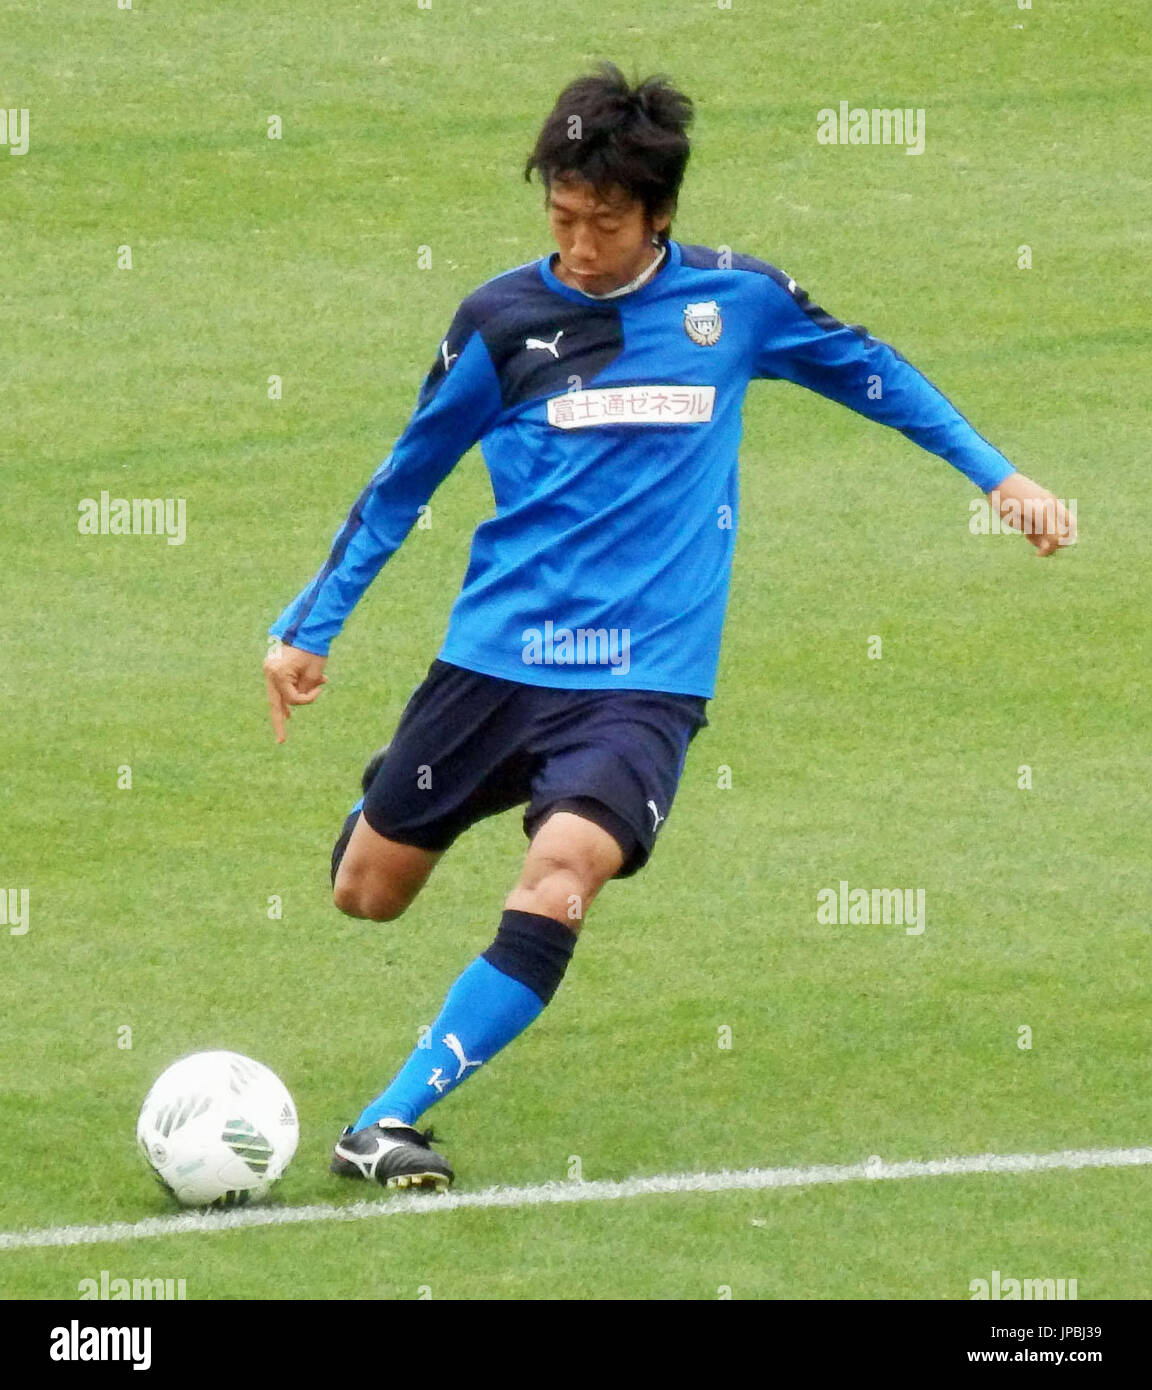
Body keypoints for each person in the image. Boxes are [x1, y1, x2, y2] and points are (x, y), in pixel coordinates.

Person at [262, 62, 1074, 1191]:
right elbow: (403, 483)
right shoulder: (502, 325)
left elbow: (874, 372)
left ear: (658, 216)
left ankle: (388, 1120)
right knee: (368, 892)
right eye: (561, 219)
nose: (579, 245)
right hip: (498, 660)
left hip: (645, 680)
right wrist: (308, 628)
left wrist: (1001, 479)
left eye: (603, 223)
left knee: (563, 872)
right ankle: (385, 791)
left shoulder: (735, 305)